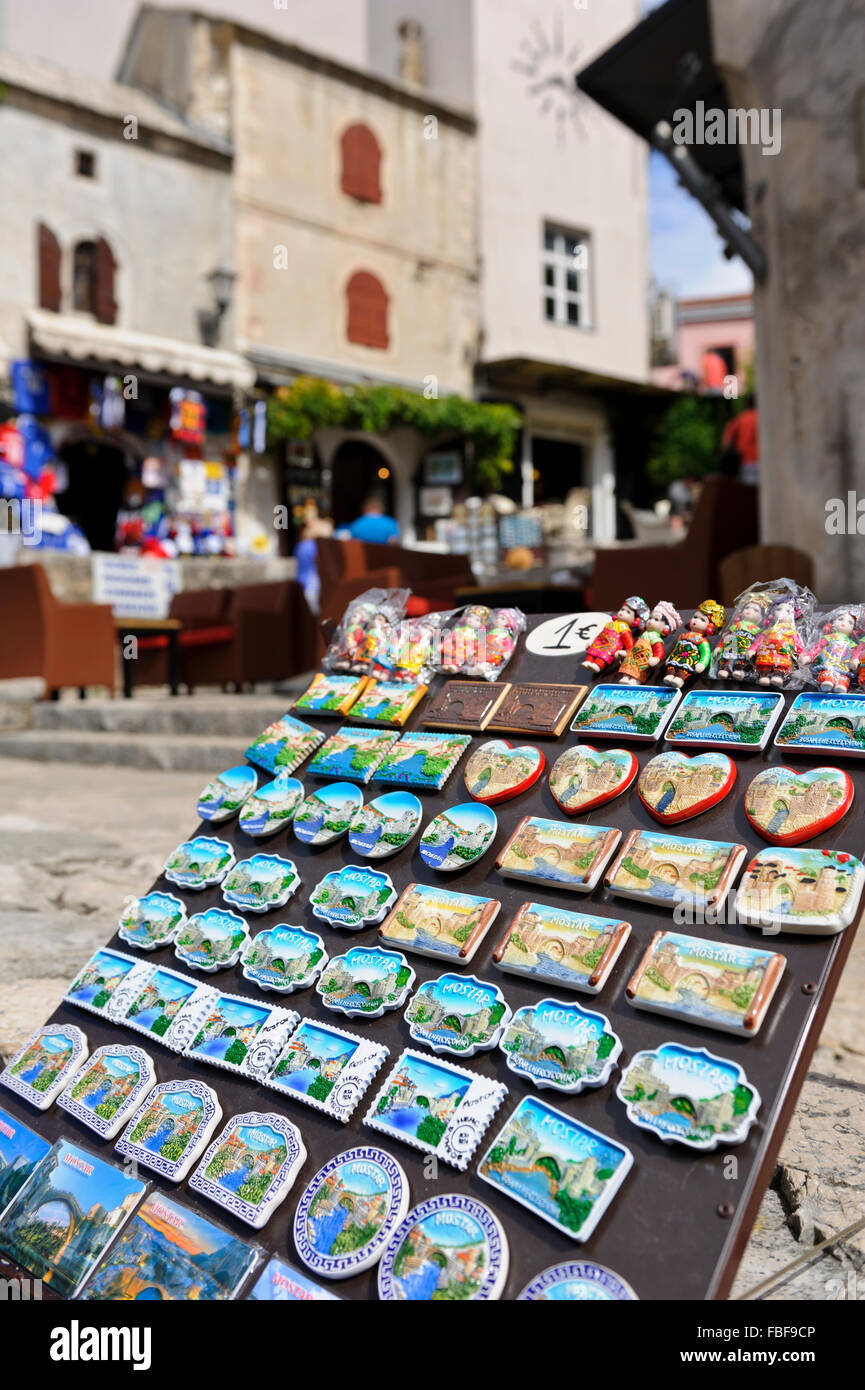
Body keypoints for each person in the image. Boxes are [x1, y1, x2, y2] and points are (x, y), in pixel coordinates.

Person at [719, 394, 759, 486]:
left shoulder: (740, 419)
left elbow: (726, 443)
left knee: (748, 493)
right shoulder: (763, 418)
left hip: (745, 461)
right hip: (762, 460)